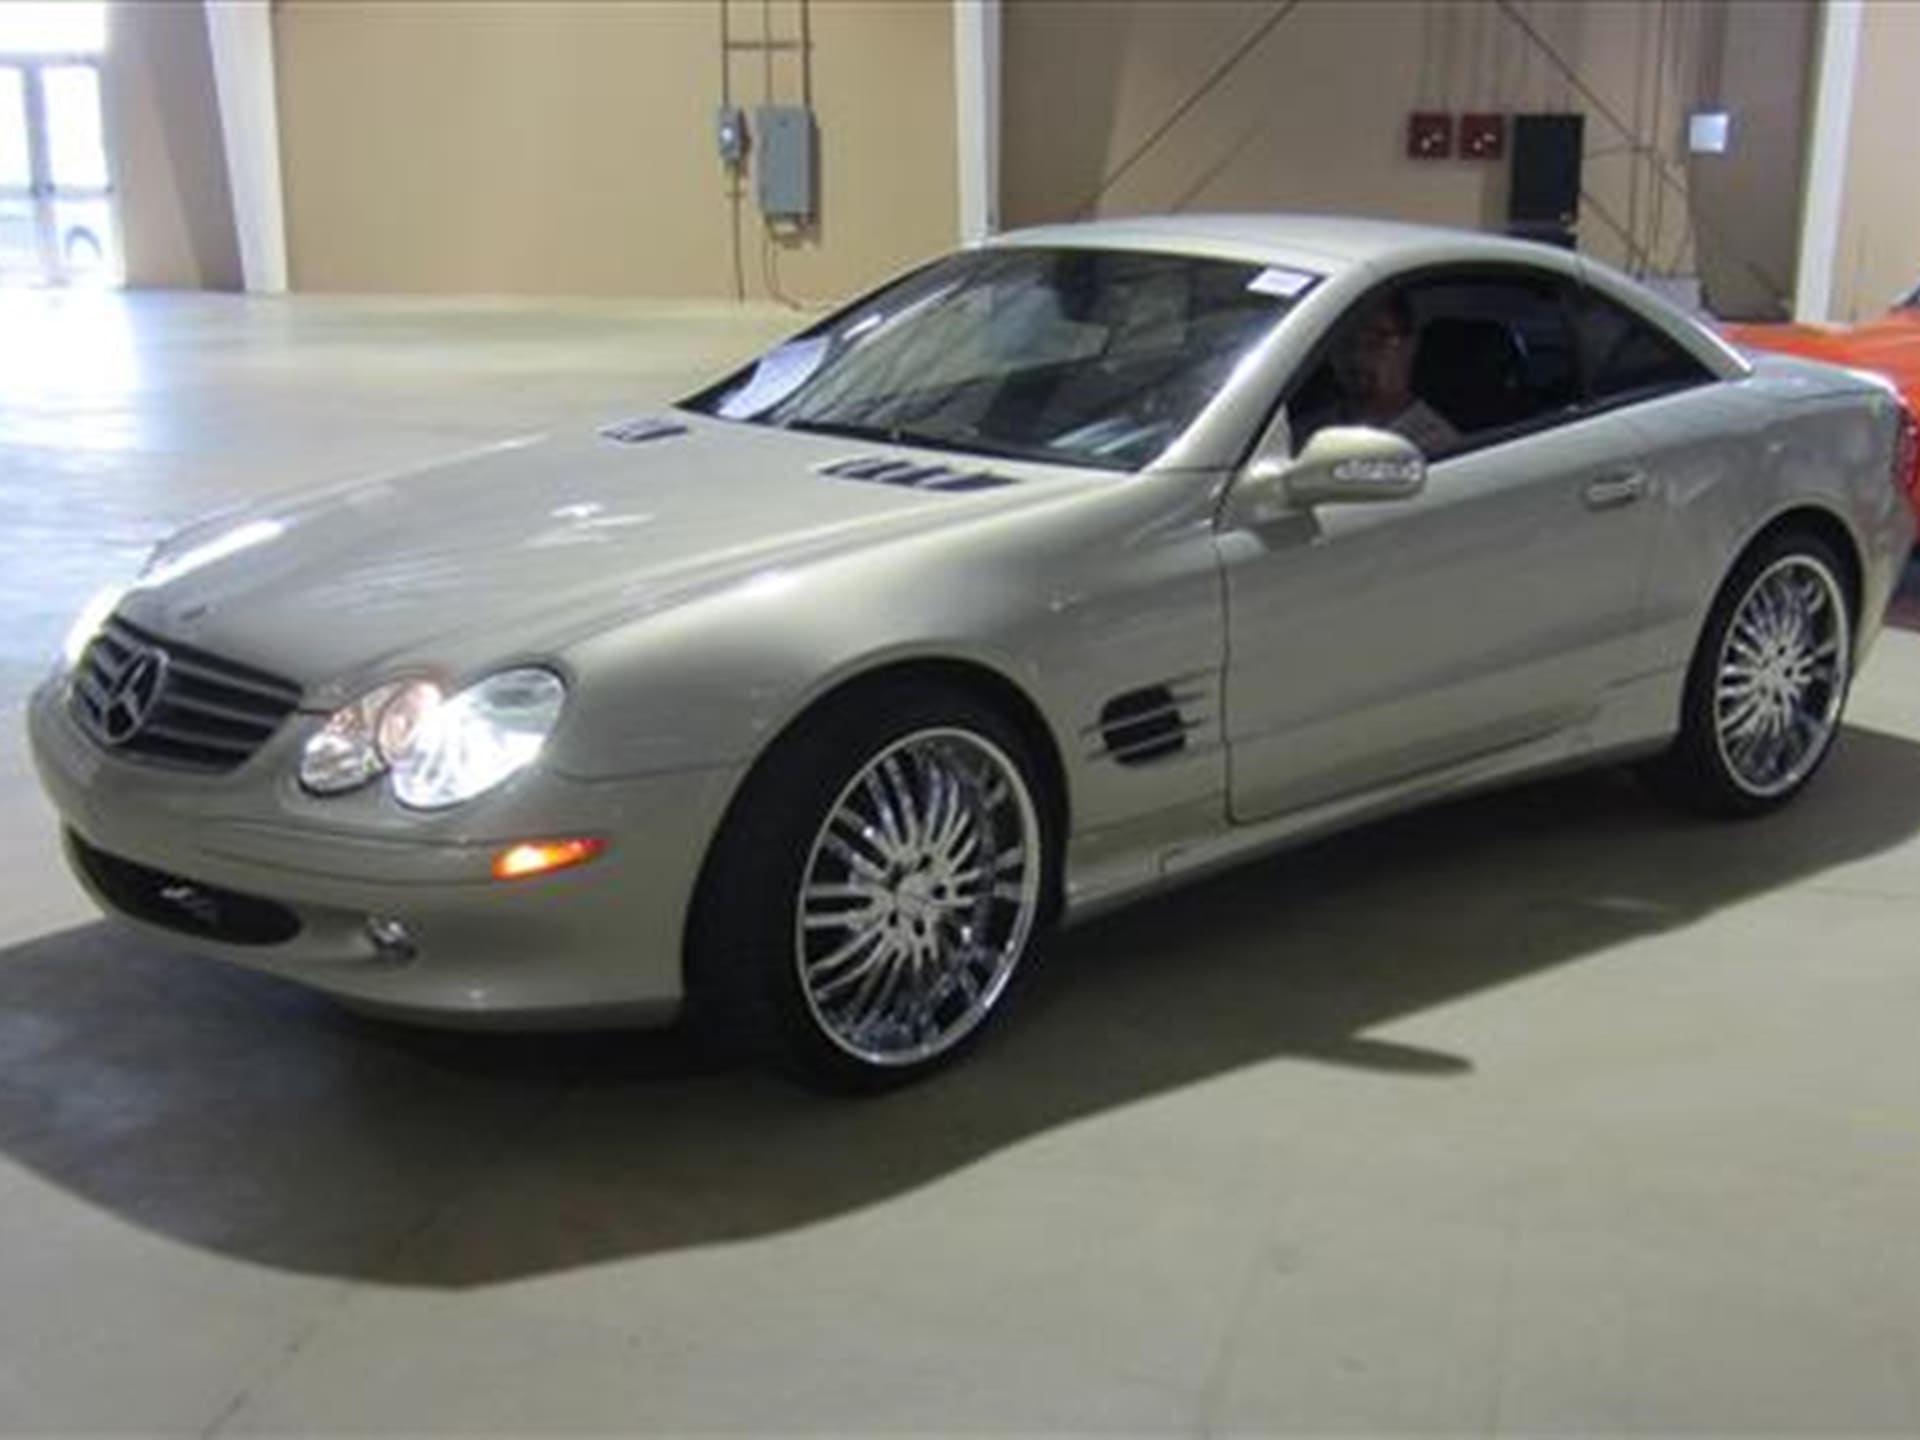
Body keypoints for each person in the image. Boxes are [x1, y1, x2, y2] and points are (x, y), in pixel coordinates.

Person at [1328, 293, 1460, 454]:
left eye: (1375, 340)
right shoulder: (1307, 429)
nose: (1357, 355)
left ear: (1409, 346)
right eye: (1346, 339)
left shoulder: (1433, 445)